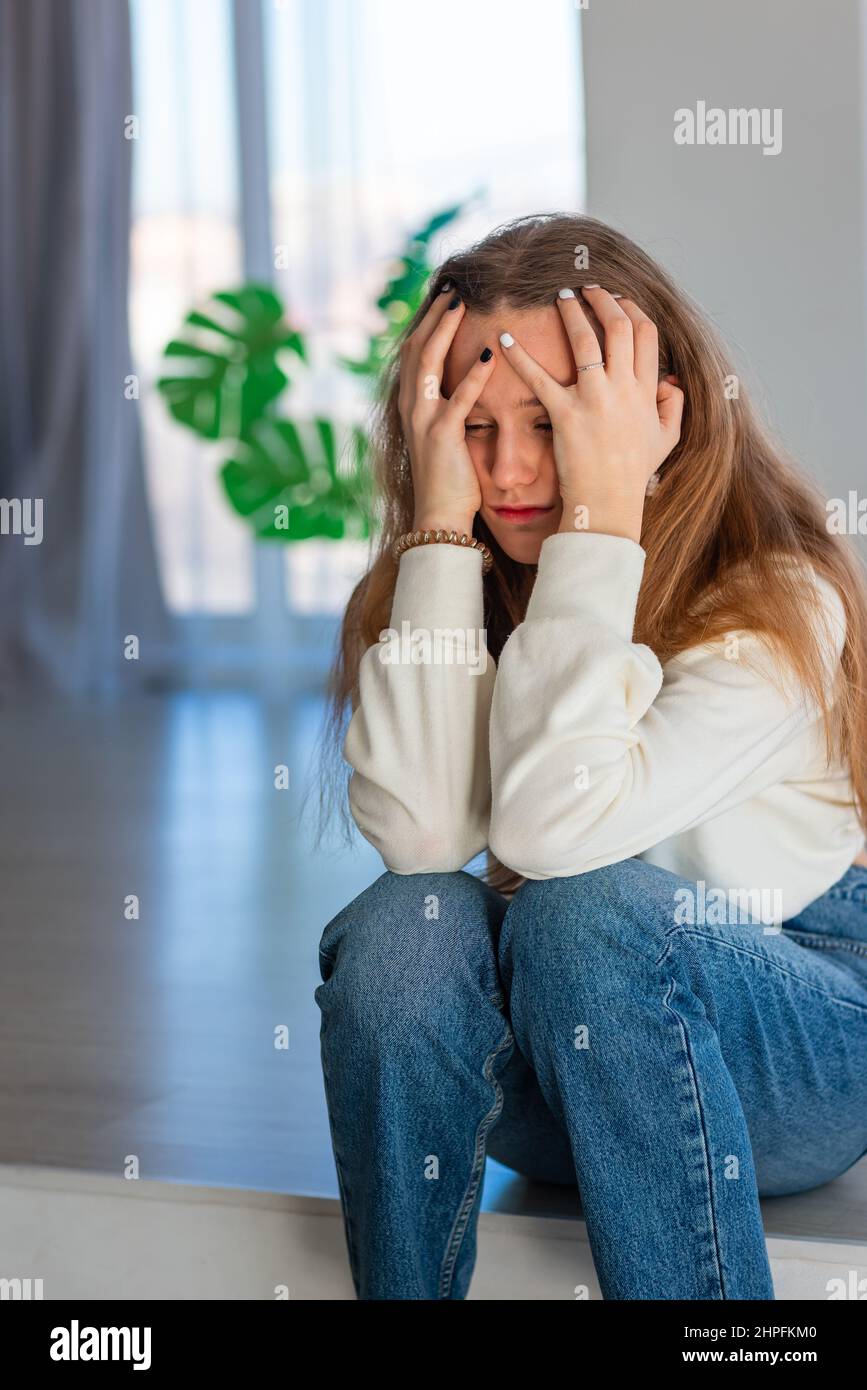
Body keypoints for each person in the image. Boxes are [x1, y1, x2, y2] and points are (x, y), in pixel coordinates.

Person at [314, 212, 867, 1300]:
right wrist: (436, 530)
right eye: (472, 423)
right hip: (570, 1062)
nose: (512, 468)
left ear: (654, 419)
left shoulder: (778, 600)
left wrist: (604, 515)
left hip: (796, 1047)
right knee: (400, 921)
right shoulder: (453, 573)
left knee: (582, 905)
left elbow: (548, 838)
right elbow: (426, 839)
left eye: (557, 419)